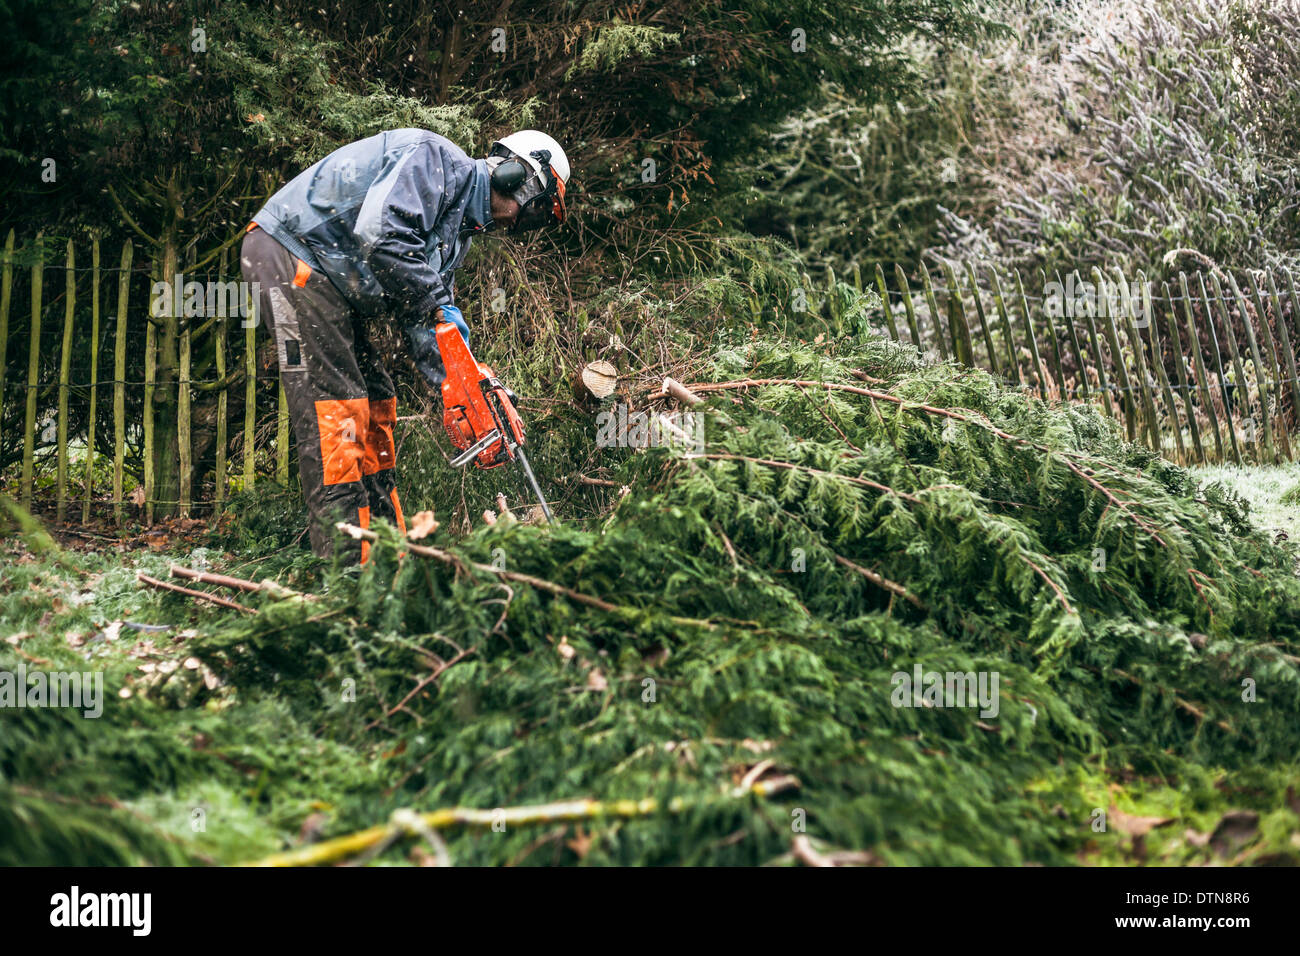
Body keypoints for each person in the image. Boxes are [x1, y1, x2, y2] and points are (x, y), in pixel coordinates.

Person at [240, 128, 569, 561]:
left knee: (377, 407)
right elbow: (382, 235)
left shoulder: (456, 236)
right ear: (515, 176)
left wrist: (466, 387)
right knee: (337, 414)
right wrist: (437, 304)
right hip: (291, 253)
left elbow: (425, 321)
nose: (522, 224)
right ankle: (348, 575)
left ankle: (389, 559)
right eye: (536, 210)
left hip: (332, 283)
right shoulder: (434, 160)